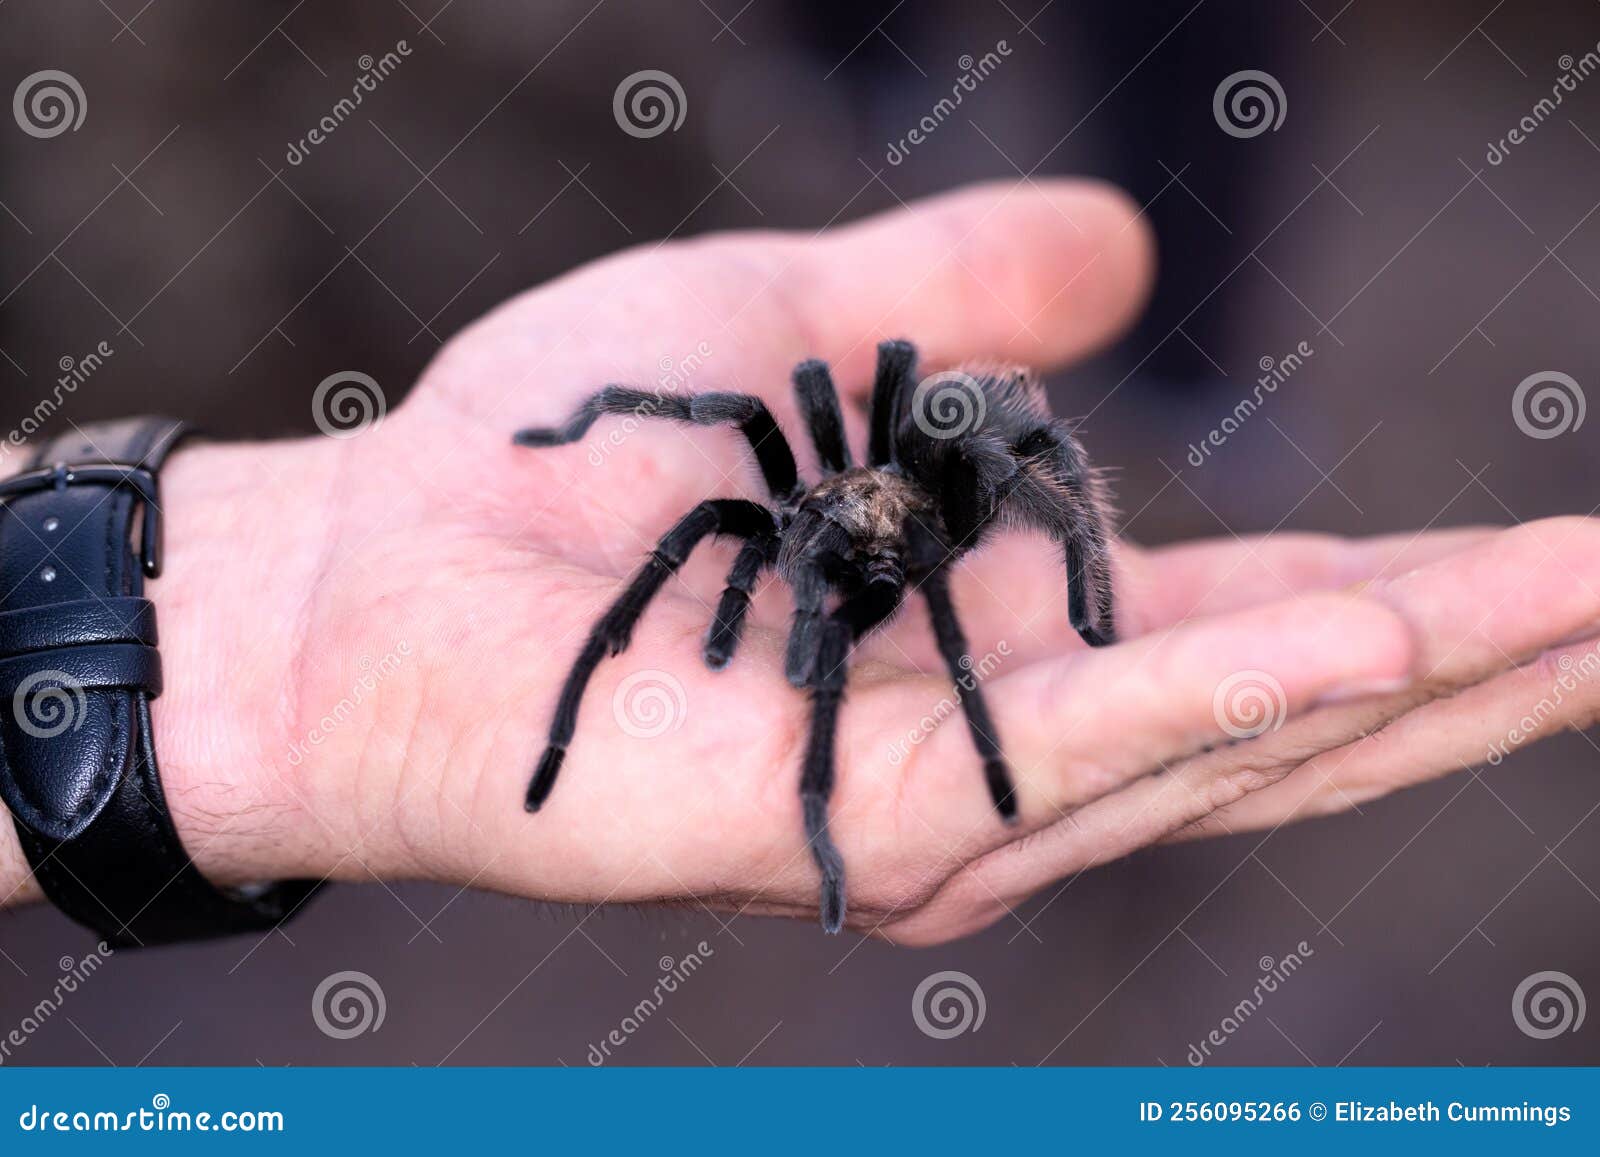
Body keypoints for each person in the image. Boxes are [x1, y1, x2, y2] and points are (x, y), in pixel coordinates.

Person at [4, 178, 1596, 946]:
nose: (819, 555)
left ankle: (845, 803)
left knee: (950, 605)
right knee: (715, 500)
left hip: (937, 480)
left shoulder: (942, 506)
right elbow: (699, 438)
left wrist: (1073, 614)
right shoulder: (792, 507)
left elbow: (1006, 477)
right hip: (851, 488)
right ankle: (608, 722)